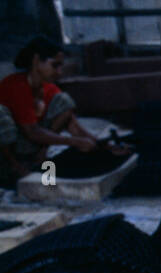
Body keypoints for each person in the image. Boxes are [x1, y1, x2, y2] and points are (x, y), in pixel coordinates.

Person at [0, 37, 108, 185]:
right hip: (9, 148)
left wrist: (103, 146)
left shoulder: (49, 88)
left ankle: (38, 157)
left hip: (27, 145)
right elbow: (31, 131)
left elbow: (73, 126)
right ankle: (14, 168)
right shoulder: (16, 86)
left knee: (64, 101)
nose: (59, 72)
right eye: (55, 65)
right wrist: (74, 142)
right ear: (37, 60)